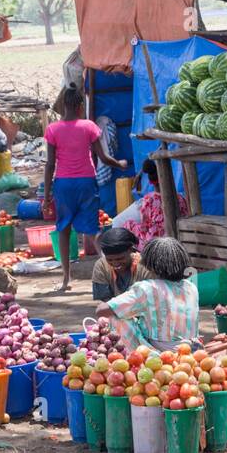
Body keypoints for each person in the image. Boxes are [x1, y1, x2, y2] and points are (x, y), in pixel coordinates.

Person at [43, 86, 129, 292]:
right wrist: (120, 164)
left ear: (63, 105)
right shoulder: (89, 127)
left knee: (63, 229)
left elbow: (49, 164)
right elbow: (103, 157)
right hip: (86, 182)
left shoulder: (53, 129)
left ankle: (66, 279)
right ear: (81, 106)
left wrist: (46, 195)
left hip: (63, 184)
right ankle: (113, 272)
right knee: (92, 230)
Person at [95, 236, 199, 352]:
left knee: (115, 315)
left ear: (150, 265)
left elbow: (101, 310)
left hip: (162, 351)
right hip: (192, 347)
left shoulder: (147, 288)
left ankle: (133, 356)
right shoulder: (191, 286)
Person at [122, 158, 189, 247]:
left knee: (128, 224)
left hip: (156, 243)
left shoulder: (149, 199)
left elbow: (144, 226)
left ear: (150, 182)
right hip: (180, 237)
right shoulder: (180, 198)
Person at [92, 226, 139, 302]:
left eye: (120, 258)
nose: (115, 263)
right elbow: (105, 300)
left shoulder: (145, 266)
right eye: (109, 259)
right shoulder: (101, 266)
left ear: (131, 250)